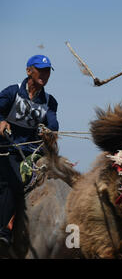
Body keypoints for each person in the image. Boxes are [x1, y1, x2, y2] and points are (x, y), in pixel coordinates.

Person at [0, 55, 59, 248]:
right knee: (12, 181)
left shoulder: (50, 101)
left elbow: (52, 123)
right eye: (40, 70)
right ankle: (4, 231)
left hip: (32, 154)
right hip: (6, 150)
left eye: (48, 71)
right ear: (28, 71)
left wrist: (50, 132)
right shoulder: (12, 92)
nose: (45, 74)